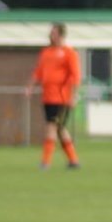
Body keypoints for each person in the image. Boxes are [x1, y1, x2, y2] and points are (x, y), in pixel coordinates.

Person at [29, 23, 82, 170]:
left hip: (61, 97)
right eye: (51, 33)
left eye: (54, 33)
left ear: (61, 35)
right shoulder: (46, 52)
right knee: (60, 128)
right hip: (48, 97)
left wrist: (73, 95)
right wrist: (30, 87)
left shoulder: (69, 53)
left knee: (51, 127)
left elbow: (75, 76)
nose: (51, 35)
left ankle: (45, 162)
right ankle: (73, 160)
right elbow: (39, 72)